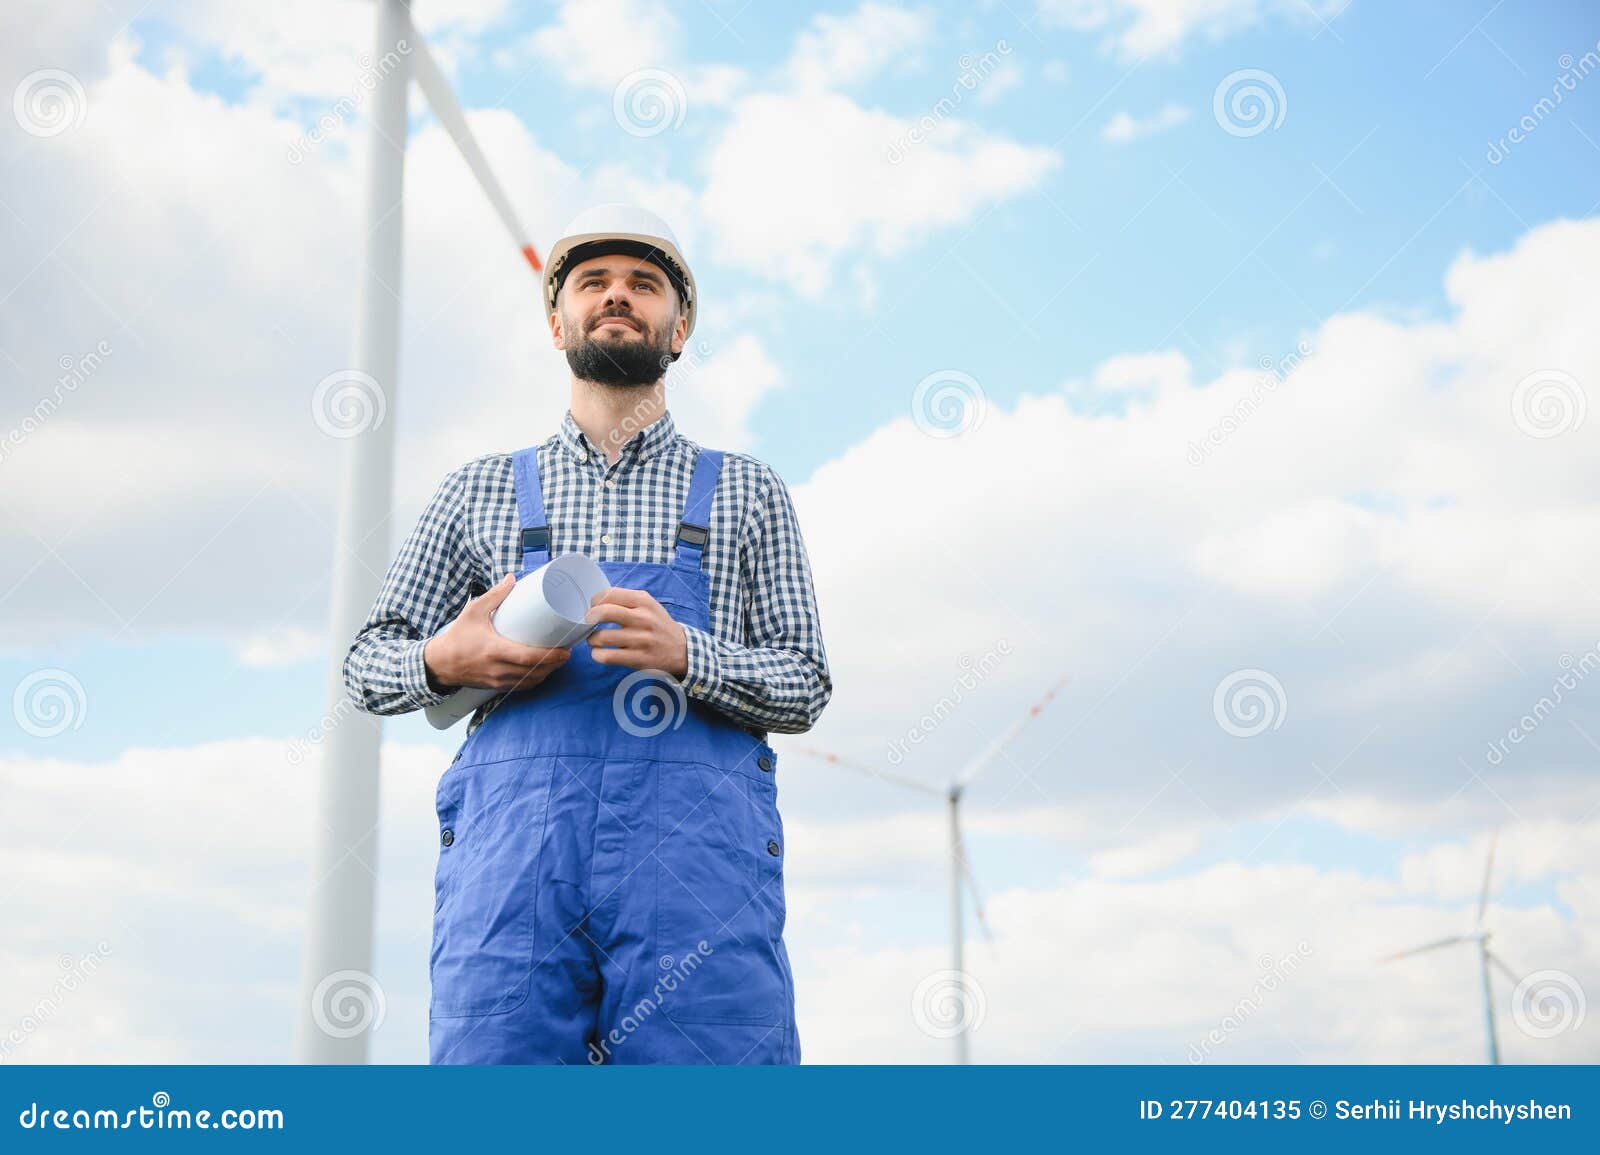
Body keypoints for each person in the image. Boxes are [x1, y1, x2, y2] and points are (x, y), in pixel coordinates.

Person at [343, 203, 832, 1065]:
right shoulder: (478, 491)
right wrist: (440, 658)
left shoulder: (749, 493)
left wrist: (691, 654)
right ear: (557, 320)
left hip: (697, 883)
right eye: (593, 282)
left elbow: (806, 680)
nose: (618, 297)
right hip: (515, 878)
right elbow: (365, 665)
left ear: (678, 331)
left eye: (645, 285)